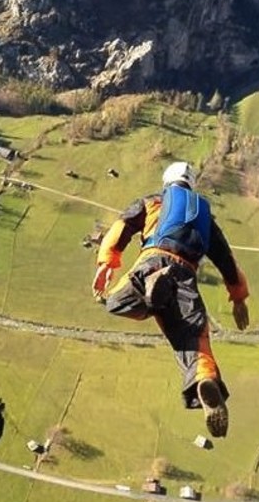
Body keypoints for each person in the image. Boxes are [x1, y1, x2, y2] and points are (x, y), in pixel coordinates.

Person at [92, 161, 250, 438]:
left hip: (152, 261)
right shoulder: (205, 217)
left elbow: (121, 228)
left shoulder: (153, 201)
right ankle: (205, 381)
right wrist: (238, 299)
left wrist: (107, 262)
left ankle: (153, 289)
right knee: (195, 343)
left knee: (116, 302)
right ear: (192, 183)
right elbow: (227, 261)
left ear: (167, 181)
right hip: (186, 275)